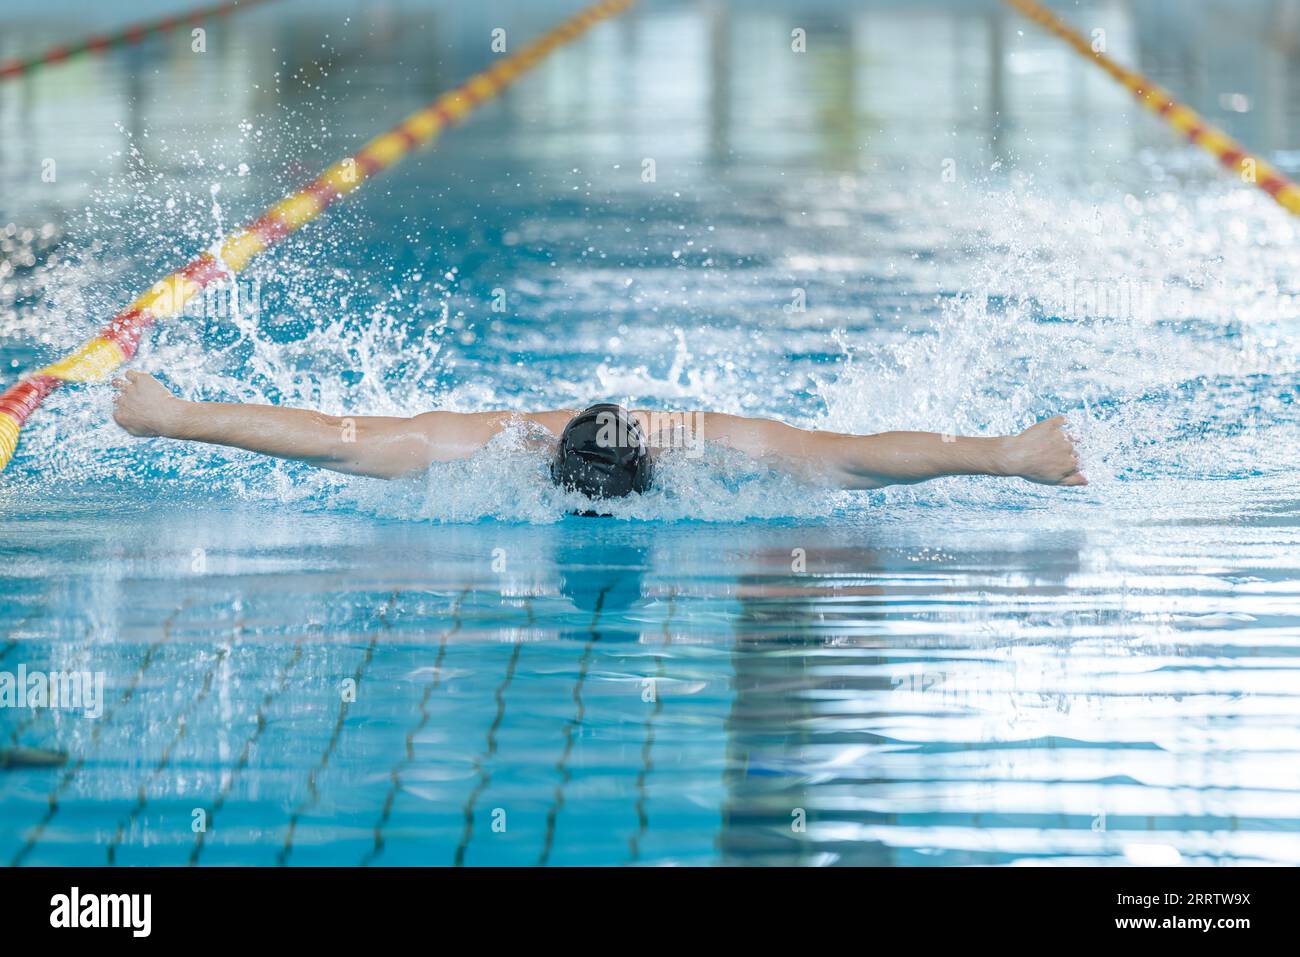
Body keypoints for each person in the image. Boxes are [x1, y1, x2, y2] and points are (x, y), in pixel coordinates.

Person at [110, 370, 1086, 504]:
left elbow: (857, 447)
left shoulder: (710, 441)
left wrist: (1004, 451)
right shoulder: (497, 440)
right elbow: (331, 435)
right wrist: (178, 418)